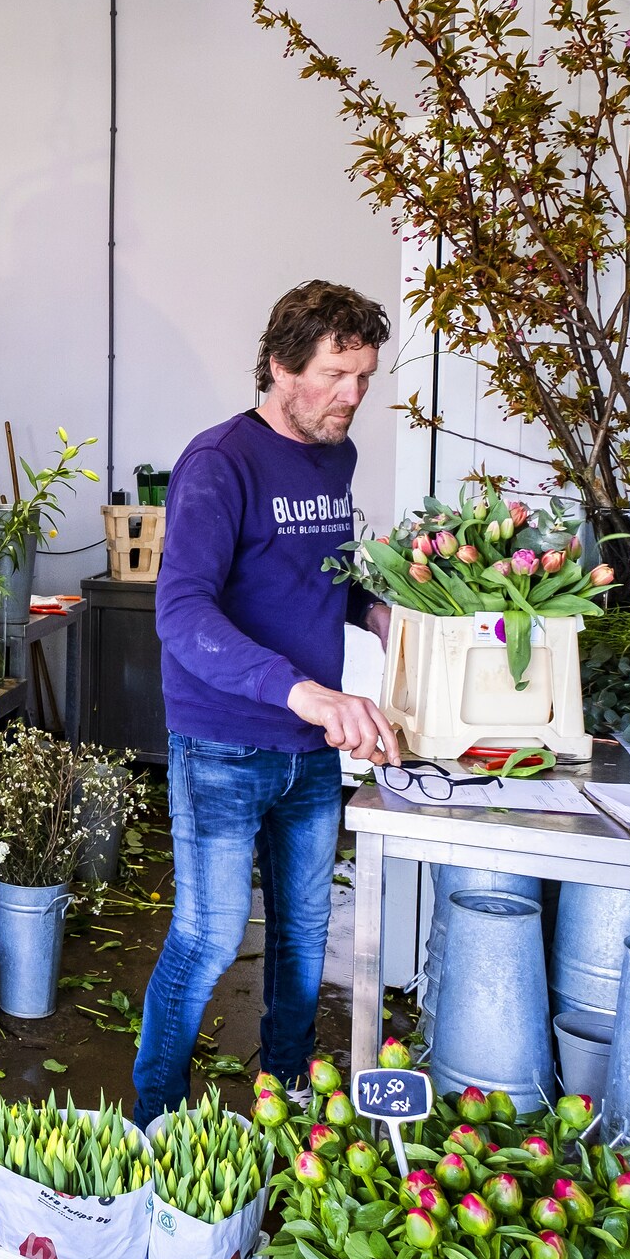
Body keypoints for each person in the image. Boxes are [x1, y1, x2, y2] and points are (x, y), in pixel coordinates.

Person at [130, 280, 397, 1126]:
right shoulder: (219, 463)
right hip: (225, 745)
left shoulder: (335, 454)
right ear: (281, 366)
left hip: (312, 751)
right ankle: (154, 1122)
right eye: (335, 374)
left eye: (363, 376)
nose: (352, 395)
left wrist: (378, 610)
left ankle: (286, 1113)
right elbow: (181, 611)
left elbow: (319, 572)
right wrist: (304, 689)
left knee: (300, 941)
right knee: (208, 940)